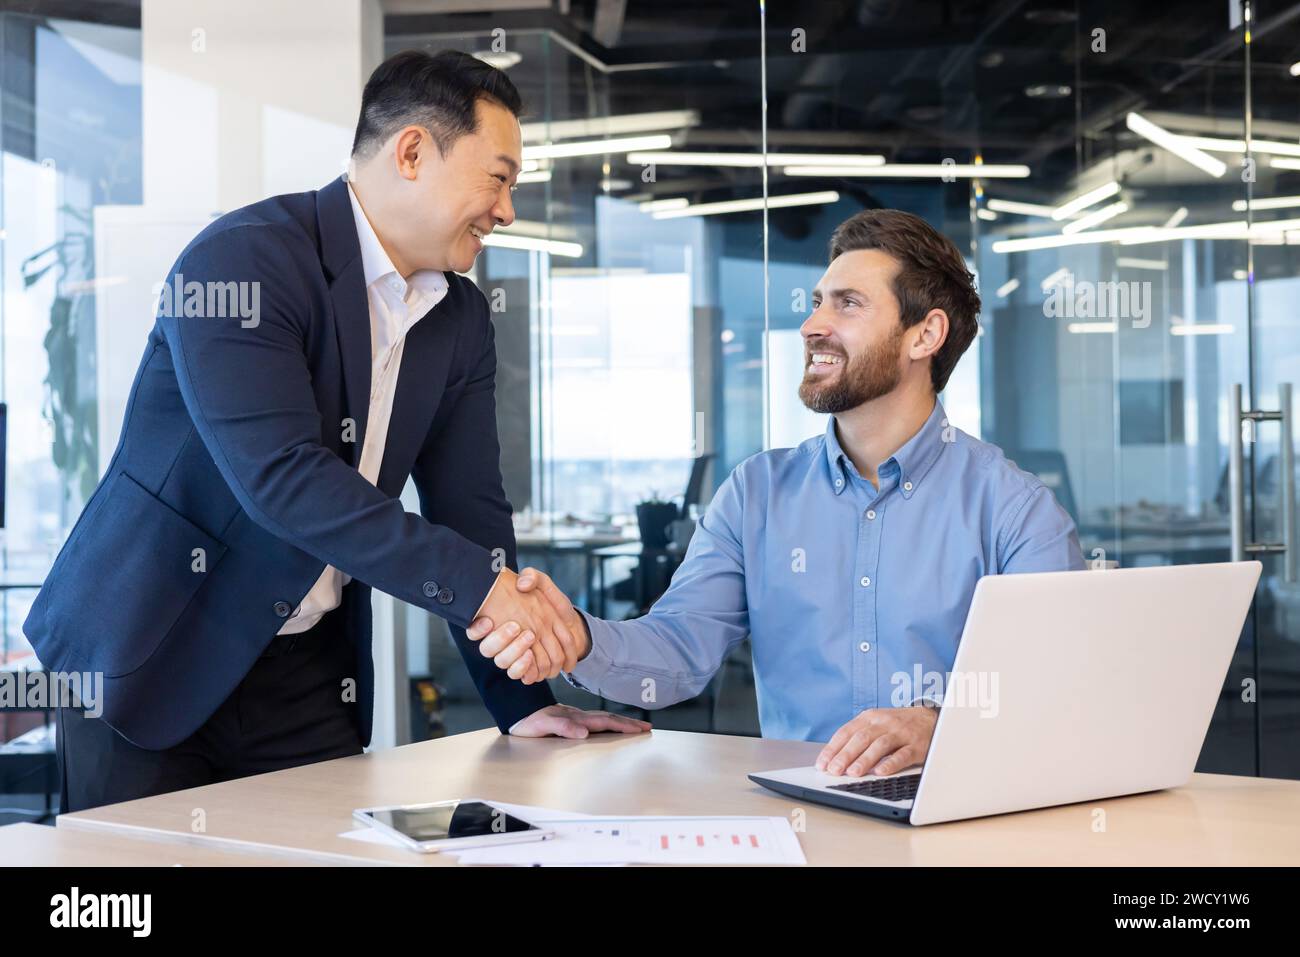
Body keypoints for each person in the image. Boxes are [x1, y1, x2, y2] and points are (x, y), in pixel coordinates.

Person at [29, 49, 647, 814]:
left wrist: (518, 699)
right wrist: (489, 594)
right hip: (150, 651)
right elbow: (283, 478)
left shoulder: (457, 322)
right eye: (499, 177)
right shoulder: (242, 263)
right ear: (414, 151)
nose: (508, 210)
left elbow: (471, 511)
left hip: (307, 675)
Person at [468, 208, 1084, 779]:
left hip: (962, 809)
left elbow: (1059, 686)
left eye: (847, 305)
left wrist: (941, 722)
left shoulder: (1015, 509)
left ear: (924, 336)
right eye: (818, 303)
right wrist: (577, 637)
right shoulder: (756, 493)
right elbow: (680, 651)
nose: (813, 325)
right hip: (804, 811)